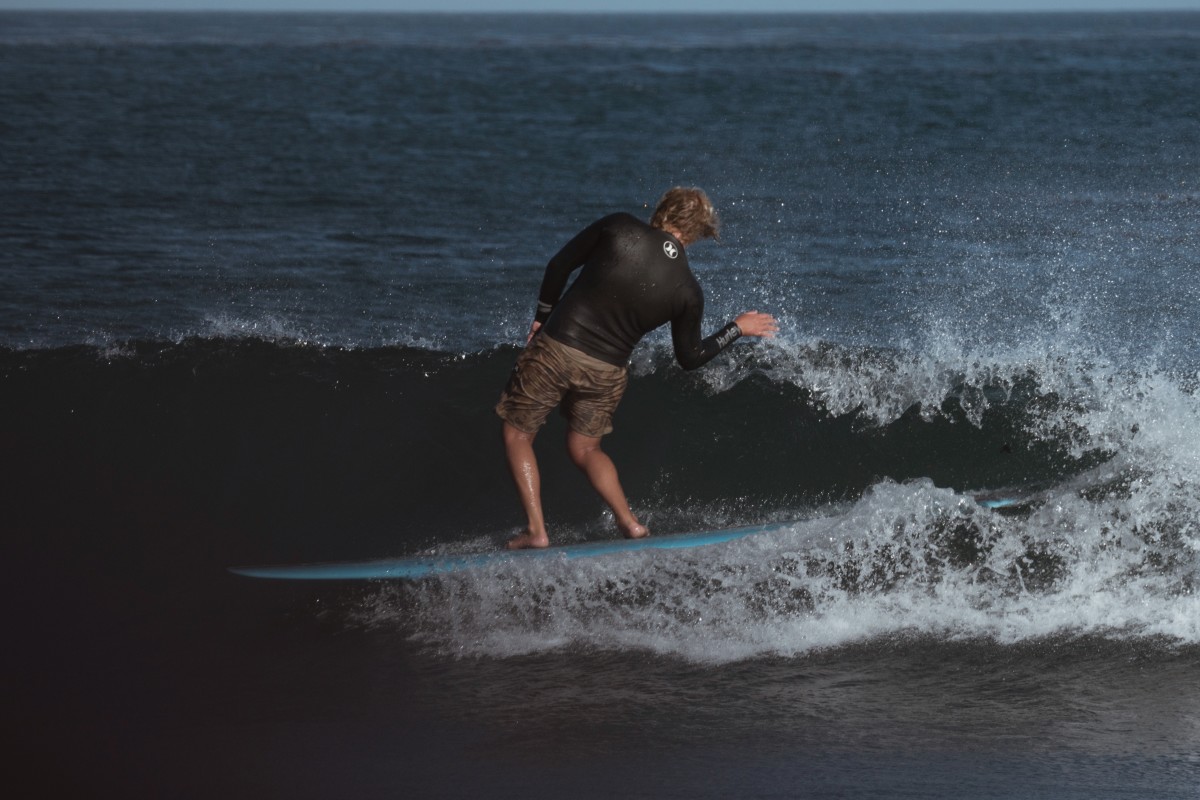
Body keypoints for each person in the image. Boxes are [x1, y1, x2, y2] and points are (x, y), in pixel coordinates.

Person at [495, 187, 778, 549]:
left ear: (662, 210)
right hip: (607, 372)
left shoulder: (619, 228)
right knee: (586, 449)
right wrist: (737, 328)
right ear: (696, 234)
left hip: (558, 349)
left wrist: (542, 317)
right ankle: (630, 523)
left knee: (518, 435)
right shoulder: (688, 290)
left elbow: (558, 265)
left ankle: (536, 530)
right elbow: (690, 358)